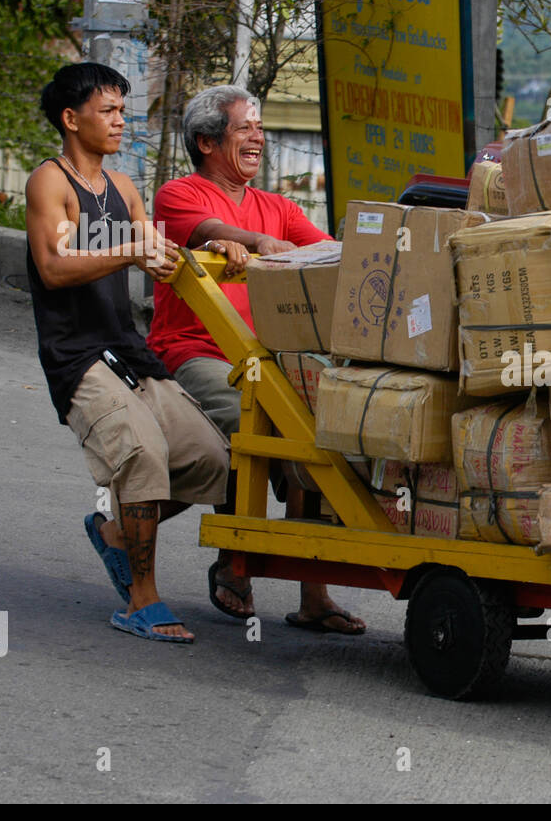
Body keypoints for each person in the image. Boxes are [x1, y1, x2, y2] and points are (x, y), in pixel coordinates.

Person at [25, 62, 238, 643]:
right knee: (142, 456)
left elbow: (156, 252)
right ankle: (141, 598)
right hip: (78, 358)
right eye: (109, 111)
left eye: (124, 110)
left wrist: (209, 246)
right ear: (72, 119)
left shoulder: (123, 189)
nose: (122, 121)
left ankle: (118, 532)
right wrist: (130, 251)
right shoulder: (49, 182)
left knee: (212, 461)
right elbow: (53, 266)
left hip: (128, 351)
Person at [148, 84, 366, 635]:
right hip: (196, 351)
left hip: (270, 356)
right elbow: (210, 230)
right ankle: (233, 560)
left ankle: (313, 596)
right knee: (254, 425)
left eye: (260, 127)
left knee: (318, 435)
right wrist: (250, 241)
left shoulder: (280, 207)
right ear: (205, 141)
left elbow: (329, 254)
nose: (257, 137)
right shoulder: (180, 193)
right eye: (244, 127)